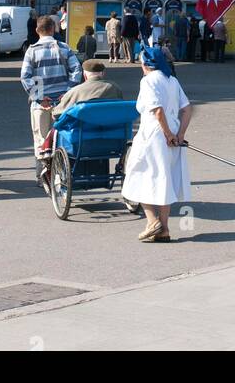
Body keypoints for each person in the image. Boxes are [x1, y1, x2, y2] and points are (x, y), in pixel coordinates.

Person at [122, 44, 192, 243]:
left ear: (146, 63)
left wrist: (168, 134)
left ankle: (153, 221)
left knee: (138, 174)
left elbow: (157, 110)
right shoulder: (172, 81)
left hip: (153, 135)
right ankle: (164, 230)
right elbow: (187, 109)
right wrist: (179, 134)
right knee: (164, 180)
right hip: (170, 135)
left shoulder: (148, 81)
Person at [20, 15, 82, 185]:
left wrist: (40, 98)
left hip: (41, 104)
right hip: (62, 102)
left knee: (40, 138)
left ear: (37, 30)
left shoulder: (31, 51)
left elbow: (25, 77)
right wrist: (67, 91)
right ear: (54, 29)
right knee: (61, 136)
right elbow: (77, 69)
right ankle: (61, 171)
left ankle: (43, 175)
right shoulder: (63, 48)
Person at [48, 59, 123, 115]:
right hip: (110, 130)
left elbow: (56, 114)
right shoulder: (115, 88)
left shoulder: (75, 91)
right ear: (103, 73)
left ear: (84, 75)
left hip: (82, 132)